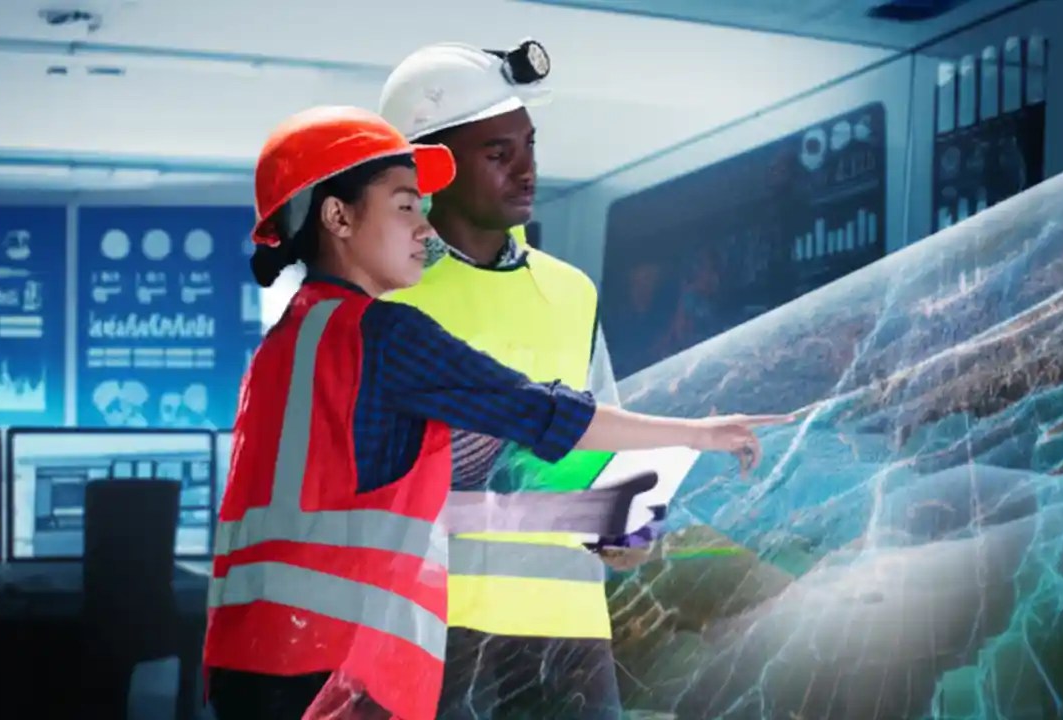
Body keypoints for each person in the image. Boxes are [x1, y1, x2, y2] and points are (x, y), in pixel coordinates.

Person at [202, 104, 785, 720]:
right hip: (337, 670)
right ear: (338, 216)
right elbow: (540, 412)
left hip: (248, 661)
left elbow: (364, 510)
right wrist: (699, 432)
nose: (424, 231)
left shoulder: (278, 347)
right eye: (405, 207)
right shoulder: (385, 335)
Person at [377, 39, 648, 719]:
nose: (528, 170)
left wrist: (634, 521)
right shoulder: (379, 303)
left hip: (568, 631)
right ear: (429, 169)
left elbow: (606, 447)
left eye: (530, 145)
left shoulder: (572, 292)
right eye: (499, 154)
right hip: (433, 633)